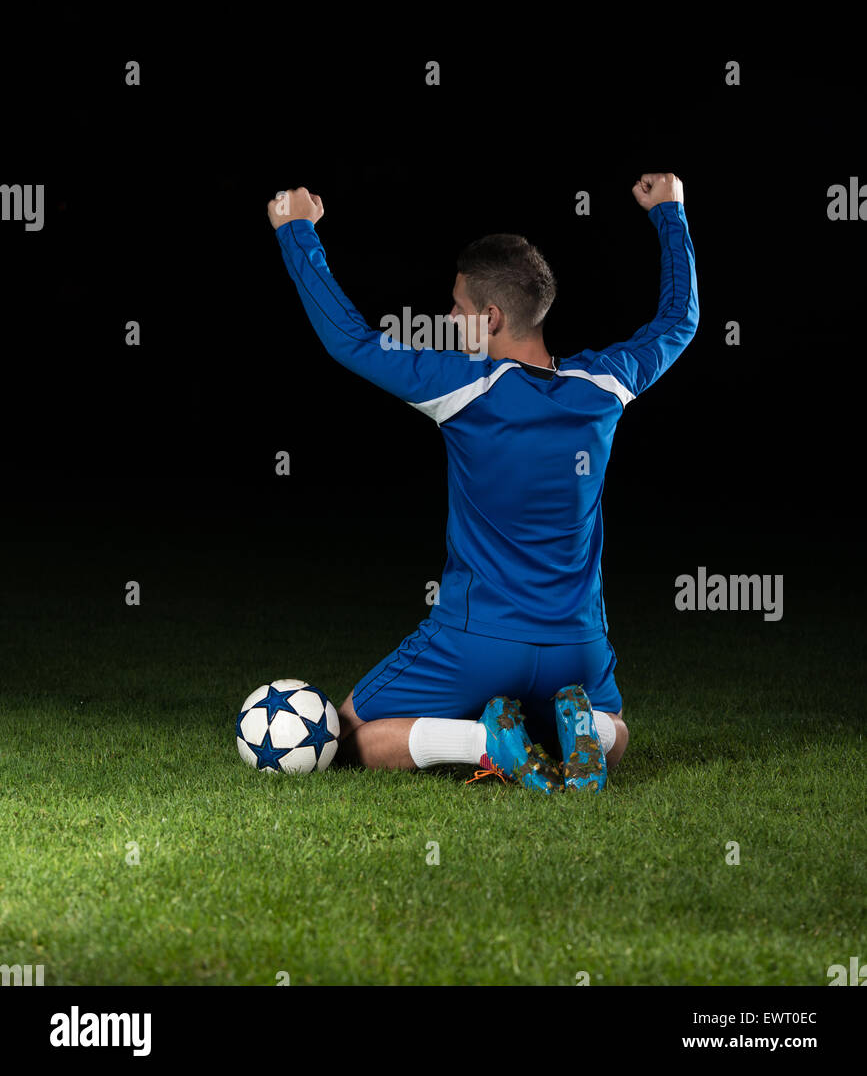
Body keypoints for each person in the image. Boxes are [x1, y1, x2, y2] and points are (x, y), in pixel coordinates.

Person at [267, 172, 698, 792]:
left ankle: (482, 740)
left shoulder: (462, 386)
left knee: (347, 732)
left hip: (477, 641)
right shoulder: (605, 385)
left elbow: (349, 339)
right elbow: (678, 322)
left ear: (490, 318)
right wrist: (670, 213)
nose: (448, 317)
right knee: (616, 731)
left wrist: (295, 229)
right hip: (577, 642)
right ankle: (576, 732)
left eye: (457, 307)